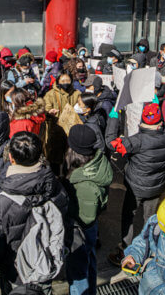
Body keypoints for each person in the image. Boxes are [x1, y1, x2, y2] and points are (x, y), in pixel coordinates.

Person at [0, 132, 69, 294]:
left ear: (11, 158)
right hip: (45, 267)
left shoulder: (2, 201)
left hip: (15, 273)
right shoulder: (57, 187)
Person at [106, 102, 165, 266]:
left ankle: (126, 249)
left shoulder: (136, 141)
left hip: (135, 187)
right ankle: (148, 249)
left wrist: (114, 117)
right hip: (156, 186)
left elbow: (110, 143)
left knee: (129, 216)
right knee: (150, 219)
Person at [63, 125, 113, 295]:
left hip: (81, 231)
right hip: (91, 228)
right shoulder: (98, 160)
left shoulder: (84, 184)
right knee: (90, 262)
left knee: (78, 275)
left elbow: (85, 216)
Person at [43, 72, 81, 171]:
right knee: (55, 154)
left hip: (71, 128)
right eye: (63, 81)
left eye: (68, 80)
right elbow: (46, 108)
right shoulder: (50, 94)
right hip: (56, 128)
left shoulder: (77, 93)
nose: (65, 83)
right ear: (58, 81)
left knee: (70, 155)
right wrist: (49, 112)